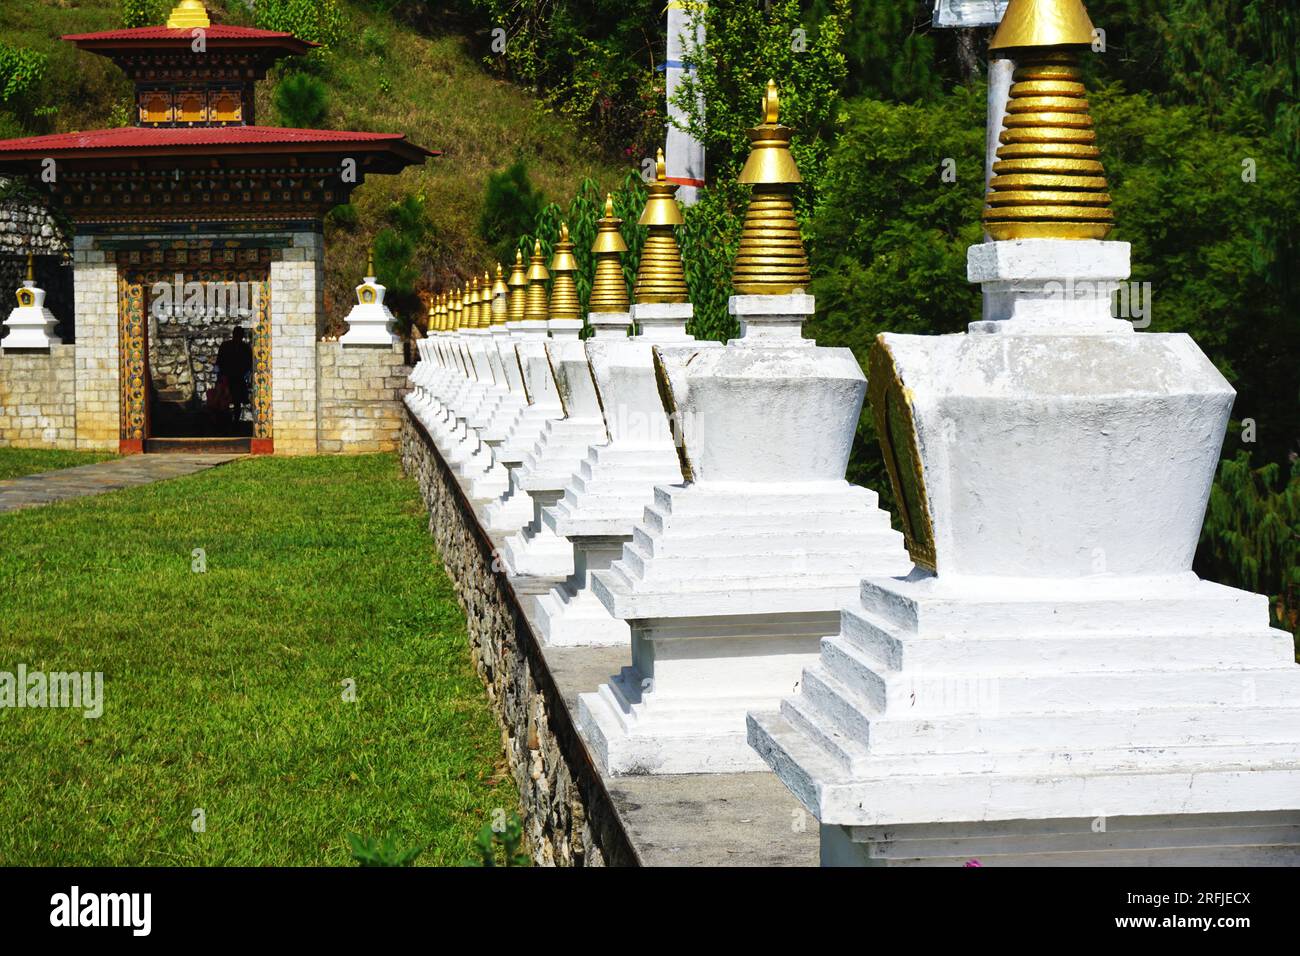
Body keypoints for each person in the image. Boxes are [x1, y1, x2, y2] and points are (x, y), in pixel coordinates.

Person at [214, 327, 253, 430]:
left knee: (230, 401)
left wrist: (218, 376)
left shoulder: (226, 346)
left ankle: (229, 423)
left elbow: (218, 362)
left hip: (230, 377)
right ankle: (233, 422)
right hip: (234, 378)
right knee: (235, 402)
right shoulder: (245, 347)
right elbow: (249, 365)